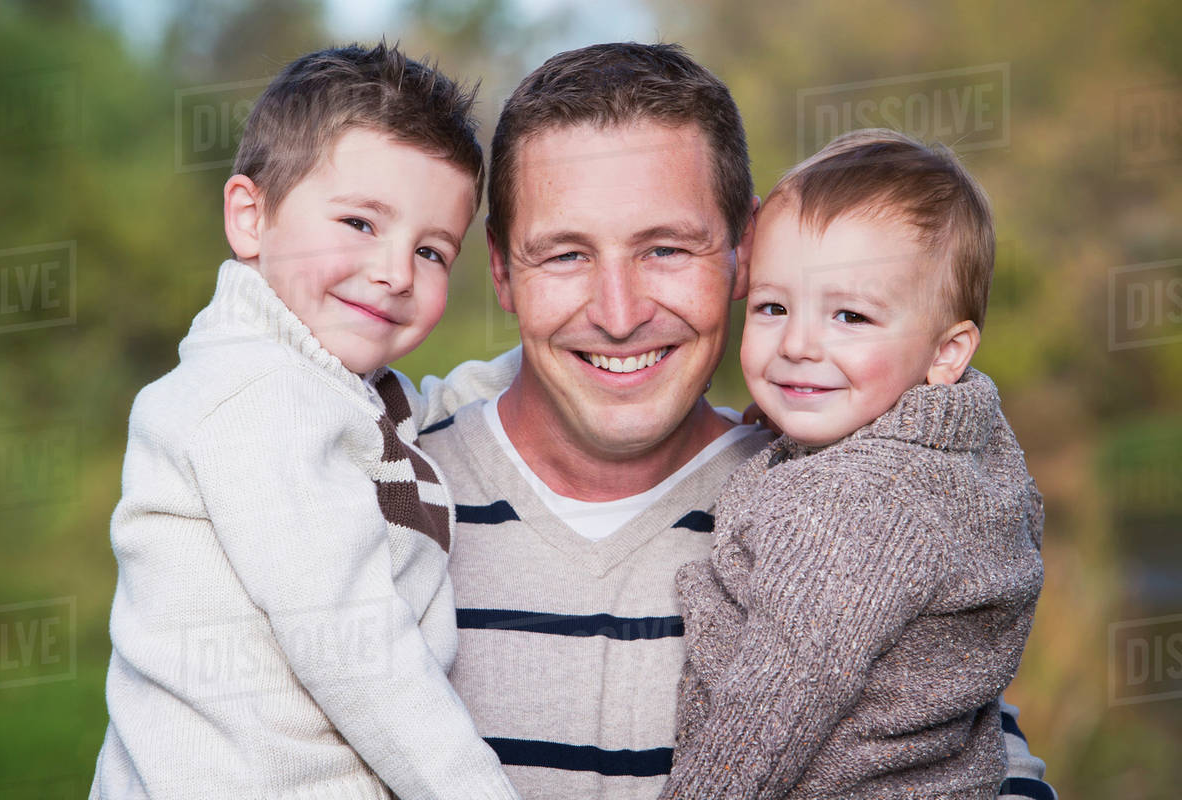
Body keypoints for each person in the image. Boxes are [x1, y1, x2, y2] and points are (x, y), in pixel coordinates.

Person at [417, 42, 1057, 800]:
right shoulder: (381, 499)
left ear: (745, 251)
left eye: (665, 248)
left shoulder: (837, 493)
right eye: (565, 256)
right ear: (500, 269)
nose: (620, 315)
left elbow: (960, 750)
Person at [90, 42, 521, 799]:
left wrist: (566, 353)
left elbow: (438, 405)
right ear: (251, 218)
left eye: (430, 251)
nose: (394, 271)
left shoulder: (328, 383)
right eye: (360, 223)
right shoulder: (259, 401)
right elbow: (355, 651)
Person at [661, 128, 1044, 799]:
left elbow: (764, 718)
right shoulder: (970, 452)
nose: (800, 344)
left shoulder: (848, 507)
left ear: (946, 352)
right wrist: (801, 426)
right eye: (774, 307)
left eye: (851, 317)